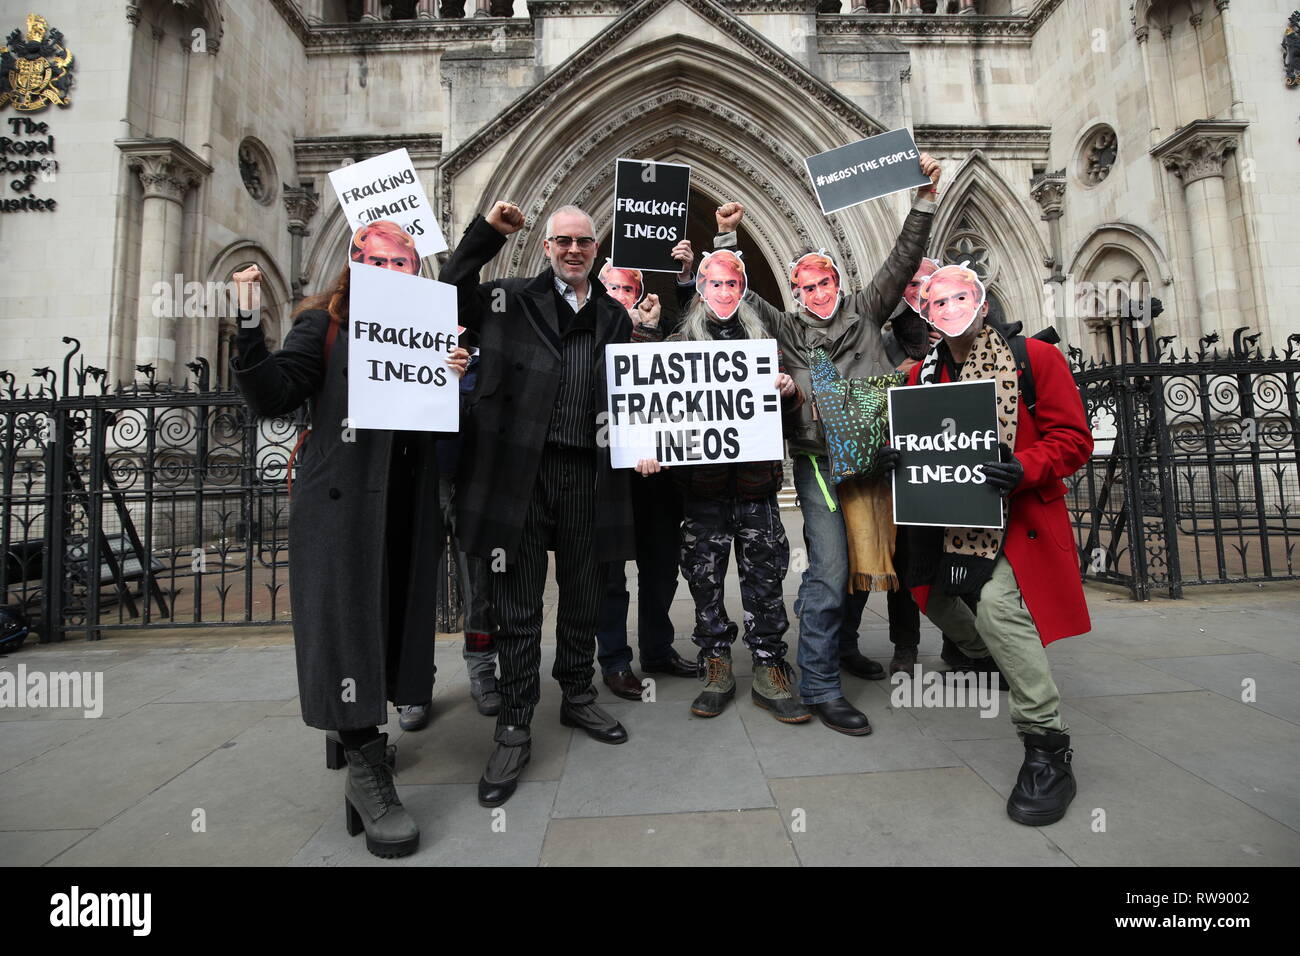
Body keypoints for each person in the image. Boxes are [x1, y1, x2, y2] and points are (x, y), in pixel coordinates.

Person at [230, 220, 468, 859]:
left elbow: (438, 417)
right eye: (380, 262)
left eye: (405, 263)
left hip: (404, 506)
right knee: (347, 628)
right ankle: (368, 772)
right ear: (356, 266)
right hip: (342, 508)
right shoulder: (323, 326)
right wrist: (249, 326)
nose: (394, 272)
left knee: (390, 625)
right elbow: (274, 395)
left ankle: (357, 734)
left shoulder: (428, 332)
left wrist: (453, 371)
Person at [703, 153, 941, 736]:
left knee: (882, 565)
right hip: (819, 466)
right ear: (794, 291)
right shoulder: (785, 330)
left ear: (839, 282)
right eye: (804, 287)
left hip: (880, 462)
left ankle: (849, 649)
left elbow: (902, 260)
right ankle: (820, 685)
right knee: (830, 570)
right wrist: (728, 237)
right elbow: (730, 294)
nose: (815, 294)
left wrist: (924, 201)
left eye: (823, 282)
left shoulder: (865, 311)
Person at [438, 201, 662, 809]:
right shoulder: (507, 298)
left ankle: (578, 693)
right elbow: (449, 291)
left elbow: (630, 392)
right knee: (517, 601)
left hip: (588, 473)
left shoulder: (613, 316)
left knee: (587, 593)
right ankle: (513, 721)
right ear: (545, 246)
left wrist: (645, 444)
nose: (573, 250)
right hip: (520, 474)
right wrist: (486, 234)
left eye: (583, 242)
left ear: (596, 249)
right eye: (562, 240)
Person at [877, 261, 1093, 826]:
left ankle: (1047, 747)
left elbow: (1073, 441)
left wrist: (1023, 465)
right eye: (934, 303)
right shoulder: (919, 375)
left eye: (957, 298)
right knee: (926, 591)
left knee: (998, 607)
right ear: (924, 313)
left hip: (1011, 521)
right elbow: (913, 442)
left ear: (981, 300)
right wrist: (897, 458)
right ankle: (985, 657)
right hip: (943, 520)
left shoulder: (1034, 360)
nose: (946, 309)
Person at [637, 284, 808, 722]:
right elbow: (654, 409)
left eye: (732, 284)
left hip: (756, 490)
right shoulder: (678, 350)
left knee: (765, 581)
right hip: (702, 493)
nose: (723, 294)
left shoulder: (763, 350)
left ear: (742, 294)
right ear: (698, 297)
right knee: (703, 581)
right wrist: (648, 446)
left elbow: (788, 423)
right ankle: (716, 664)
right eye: (713, 286)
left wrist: (789, 394)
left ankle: (770, 664)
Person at [596, 243, 698, 701]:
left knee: (661, 569)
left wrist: (654, 331)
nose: (620, 294)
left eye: (628, 288)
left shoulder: (660, 331)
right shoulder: (587, 329)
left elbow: (695, 345)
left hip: (659, 476)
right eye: (612, 287)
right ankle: (615, 661)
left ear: (639, 294)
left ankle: (657, 649)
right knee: (611, 574)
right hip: (609, 475)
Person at [434, 337, 503, 719]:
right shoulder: (408, 347)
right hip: (424, 476)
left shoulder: (491, 357)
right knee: (416, 589)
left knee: (478, 587)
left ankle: (482, 671)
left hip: (476, 480)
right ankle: (414, 685)